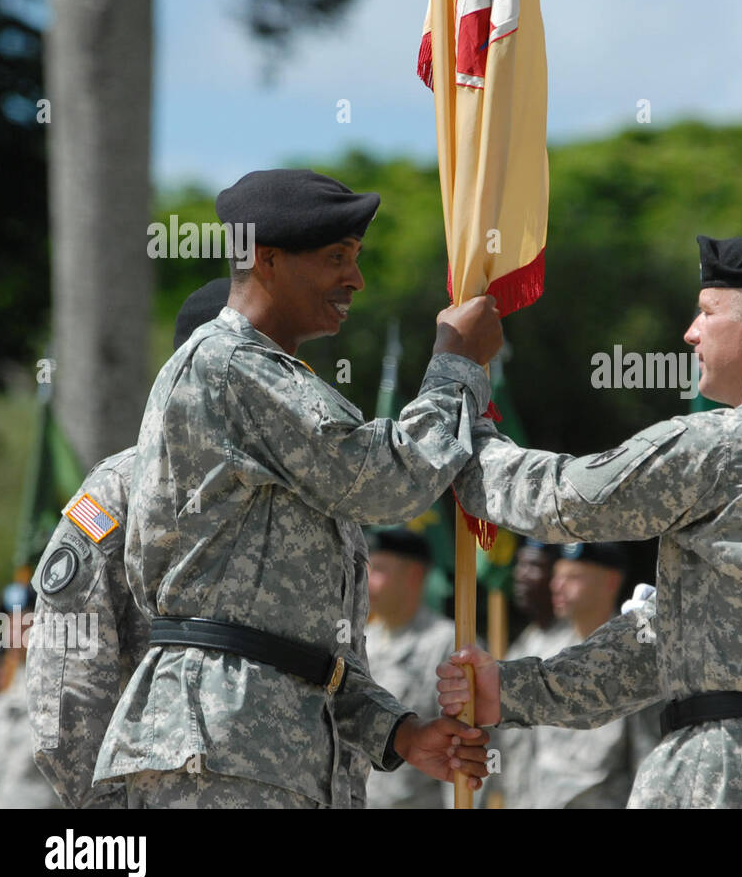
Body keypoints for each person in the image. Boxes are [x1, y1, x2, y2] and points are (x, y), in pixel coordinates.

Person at [438, 234, 742, 808]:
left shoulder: (732, 445)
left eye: (707, 312)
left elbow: (564, 503)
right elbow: (659, 646)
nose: (690, 332)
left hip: (735, 774)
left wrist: (458, 414)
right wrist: (512, 693)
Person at [92, 169, 494, 807]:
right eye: (335, 258)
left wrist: (400, 733)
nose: (355, 280)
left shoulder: (268, 382)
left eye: (356, 259)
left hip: (270, 754)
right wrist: (455, 367)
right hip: (219, 752)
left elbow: (295, 646)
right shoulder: (233, 366)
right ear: (265, 259)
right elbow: (388, 482)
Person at [494, 542, 660, 808]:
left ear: (610, 581)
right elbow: (515, 749)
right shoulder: (539, 649)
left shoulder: (634, 656)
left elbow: (646, 756)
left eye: (573, 577)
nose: (557, 586)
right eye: (557, 576)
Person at [362, 526, 461, 809]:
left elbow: (467, 745)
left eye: (379, 570)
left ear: (414, 576)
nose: (367, 581)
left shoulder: (448, 643)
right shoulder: (361, 641)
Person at [0, 584, 61, 808]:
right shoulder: (3, 699)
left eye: (24, 617)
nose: (16, 627)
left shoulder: (61, 689)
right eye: (9, 619)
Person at [507, 540, 562, 660]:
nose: (520, 574)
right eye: (520, 564)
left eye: (534, 565)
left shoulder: (579, 636)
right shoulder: (530, 635)